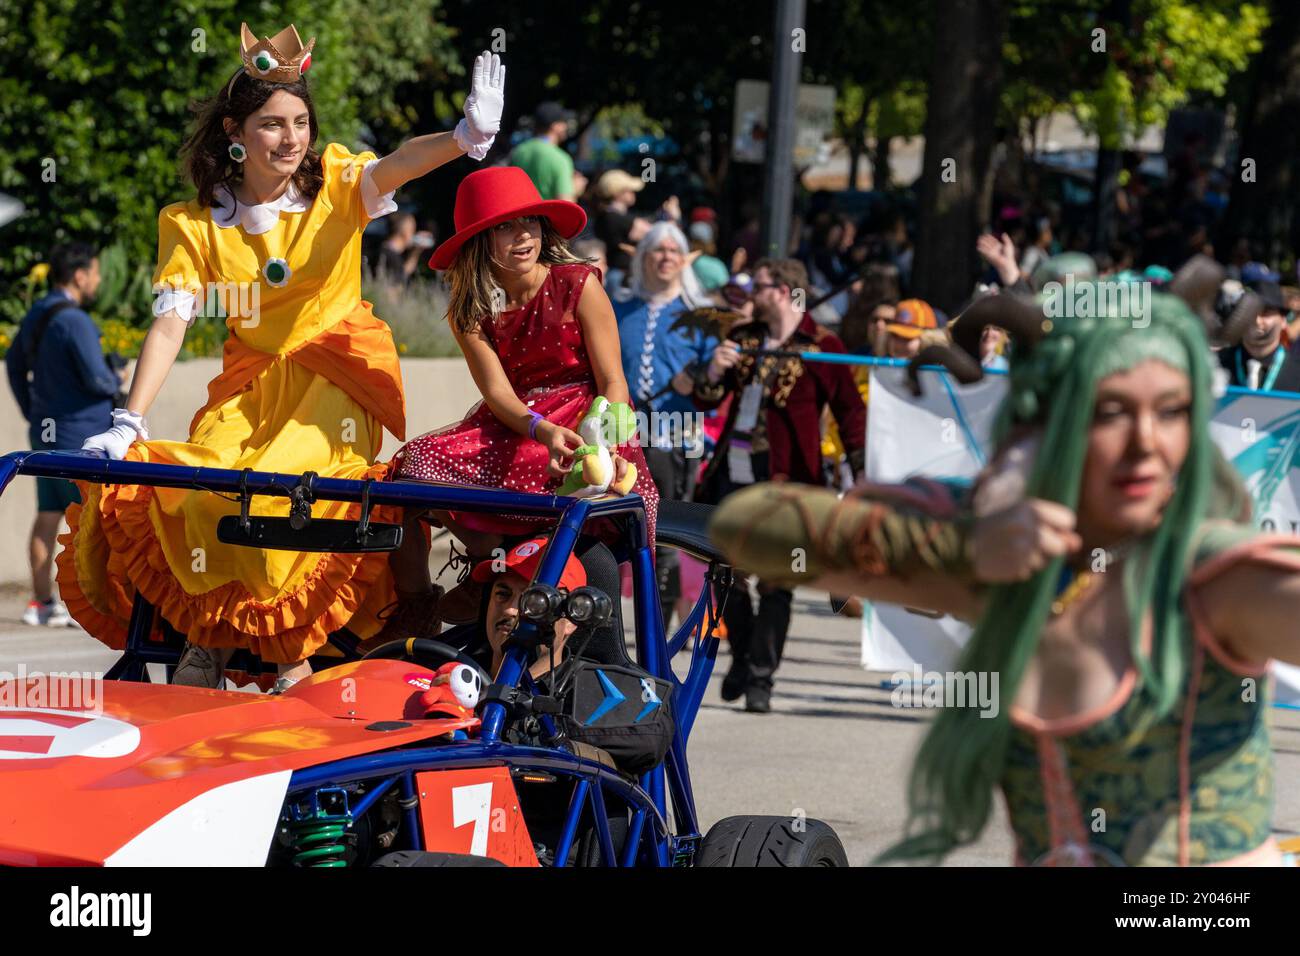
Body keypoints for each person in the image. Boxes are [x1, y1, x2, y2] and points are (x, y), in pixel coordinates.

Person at [710, 275, 1300, 866]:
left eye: (1171, 412)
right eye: (1111, 411)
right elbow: (745, 527)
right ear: (1046, 423)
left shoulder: (1211, 575)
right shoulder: (999, 552)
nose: (1146, 442)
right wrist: (967, 547)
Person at [56, 23, 506, 692]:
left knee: (284, 490)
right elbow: (170, 325)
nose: (291, 137)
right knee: (199, 483)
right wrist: (130, 420)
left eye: (300, 121)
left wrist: (462, 139)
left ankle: (288, 653)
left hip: (334, 382)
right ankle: (212, 634)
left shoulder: (336, 187)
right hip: (249, 389)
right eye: (272, 124)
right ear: (237, 131)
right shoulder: (195, 222)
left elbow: (399, 163)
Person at [384, 165, 659, 630]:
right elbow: (497, 394)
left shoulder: (578, 283)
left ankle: (490, 572)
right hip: (519, 421)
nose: (523, 235)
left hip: (590, 419)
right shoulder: (468, 309)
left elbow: (614, 382)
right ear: (479, 243)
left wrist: (604, 439)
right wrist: (540, 428)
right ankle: (420, 604)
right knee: (409, 471)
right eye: (504, 227)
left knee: (566, 484)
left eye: (529, 222)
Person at [694, 258, 865, 712]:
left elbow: (850, 412)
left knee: (776, 580)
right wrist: (713, 373)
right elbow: (703, 397)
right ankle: (741, 657)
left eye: (761, 286)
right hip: (733, 471)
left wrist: (861, 470)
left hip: (788, 480)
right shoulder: (743, 338)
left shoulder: (823, 347)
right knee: (725, 573)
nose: (752, 295)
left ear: (785, 290)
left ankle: (760, 680)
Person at [6, 241, 118, 627]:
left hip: (46, 435)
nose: (99, 280)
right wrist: (115, 378)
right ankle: (84, 603)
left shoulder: (36, 314)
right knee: (91, 523)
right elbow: (97, 377)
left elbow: (14, 365)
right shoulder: (75, 321)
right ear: (80, 275)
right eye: (96, 272)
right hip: (83, 439)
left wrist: (32, 410)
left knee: (47, 517)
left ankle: (41, 603)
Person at [614, 221, 716, 628]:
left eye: (675, 250)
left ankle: (656, 631)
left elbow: (715, 386)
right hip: (620, 433)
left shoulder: (700, 316)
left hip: (675, 433)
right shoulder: (619, 307)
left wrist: (704, 377)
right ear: (644, 257)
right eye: (658, 249)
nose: (666, 256)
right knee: (616, 532)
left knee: (665, 537)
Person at [1217, 279, 1300, 392]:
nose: (1257, 320)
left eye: (1266, 312)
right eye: (1250, 311)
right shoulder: (1214, 364)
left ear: (1283, 320)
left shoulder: (1297, 370)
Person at [591, 170, 652, 288]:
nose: (633, 193)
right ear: (618, 193)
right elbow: (653, 233)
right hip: (620, 276)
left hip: (614, 275)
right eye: (629, 190)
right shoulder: (615, 218)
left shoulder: (604, 216)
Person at [509, 101, 577, 201]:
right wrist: (574, 190)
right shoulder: (561, 158)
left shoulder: (518, 152)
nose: (566, 126)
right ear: (555, 126)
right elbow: (567, 204)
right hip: (546, 216)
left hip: (520, 215)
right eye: (563, 122)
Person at [374, 210, 420, 288]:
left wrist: (416, 252)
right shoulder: (392, 257)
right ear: (405, 232)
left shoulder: (382, 250)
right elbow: (397, 285)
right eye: (412, 230)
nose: (413, 235)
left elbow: (403, 271)